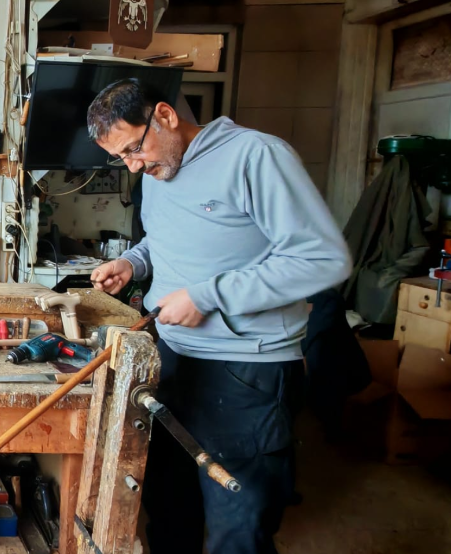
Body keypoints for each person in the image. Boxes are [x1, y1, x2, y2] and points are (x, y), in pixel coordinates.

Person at [86, 78, 350, 554]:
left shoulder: (256, 156)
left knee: (237, 528)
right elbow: (165, 239)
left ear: (164, 115)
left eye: (133, 149)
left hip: (247, 373)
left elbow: (322, 259)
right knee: (168, 508)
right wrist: (134, 263)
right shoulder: (156, 171)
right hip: (174, 361)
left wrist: (208, 295)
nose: (133, 166)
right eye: (120, 158)